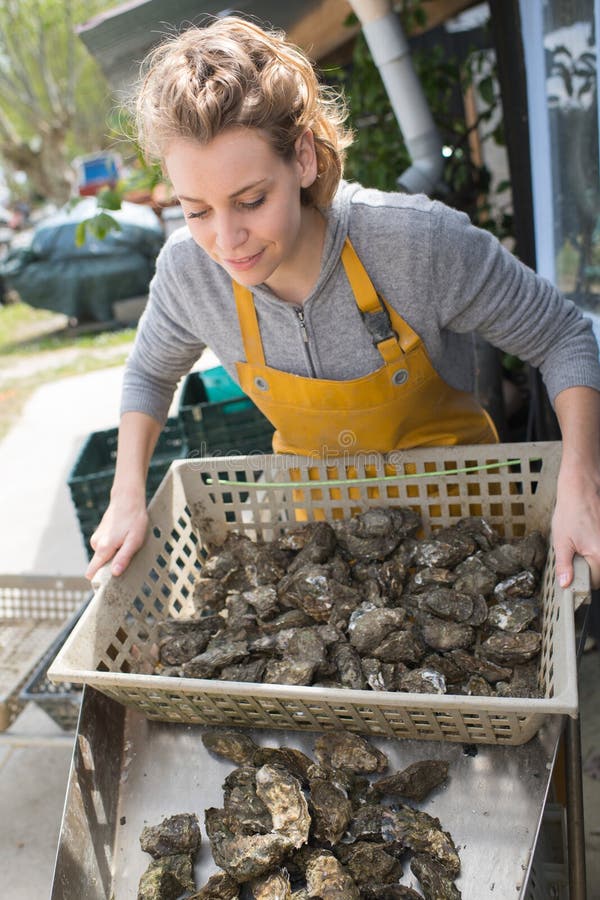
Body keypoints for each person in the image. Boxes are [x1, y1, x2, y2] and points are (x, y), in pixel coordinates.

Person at [86, 15, 600, 591]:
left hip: (470, 548)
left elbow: (564, 337)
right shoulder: (189, 273)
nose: (226, 242)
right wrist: (126, 495)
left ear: (302, 157)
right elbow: (150, 374)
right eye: (196, 210)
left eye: (251, 200)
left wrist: (583, 479)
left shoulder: (416, 244)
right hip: (323, 560)